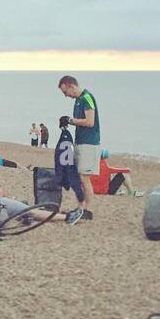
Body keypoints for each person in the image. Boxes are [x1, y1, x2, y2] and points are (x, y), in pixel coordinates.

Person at [57, 75, 99, 222]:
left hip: (89, 142)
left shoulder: (87, 97)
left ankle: (88, 210)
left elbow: (90, 121)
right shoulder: (78, 101)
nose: (65, 95)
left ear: (71, 86)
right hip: (80, 141)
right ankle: (81, 207)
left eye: (65, 92)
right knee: (78, 176)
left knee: (84, 177)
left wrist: (70, 120)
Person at [53, 116, 87, 222]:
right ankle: (82, 206)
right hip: (68, 165)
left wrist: (62, 173)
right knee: (76, 181)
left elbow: (64, 157)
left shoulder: (65, 137)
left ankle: (82, 206)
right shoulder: (67, 137)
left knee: (75, 181)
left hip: (66, 166)